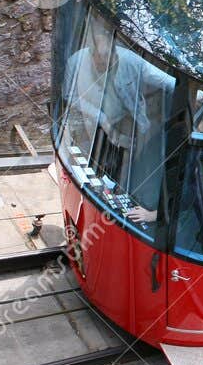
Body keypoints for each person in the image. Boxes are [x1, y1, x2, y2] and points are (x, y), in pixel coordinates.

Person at [62, 21, 173, 226]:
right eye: (100, 61)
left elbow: (163, 80)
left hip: (131, 121)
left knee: (134, 162)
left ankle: (122, 191)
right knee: (102, 163)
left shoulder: (130, 61)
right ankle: (108, 195)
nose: (105, 64)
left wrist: (201, 96)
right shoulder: (76, 63)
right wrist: (101, 117)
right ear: (91, 55)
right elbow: (69, 95)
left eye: (109, 60)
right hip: (97, 125)